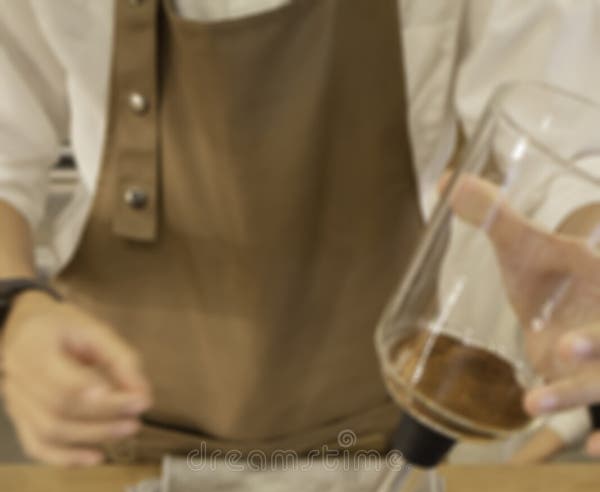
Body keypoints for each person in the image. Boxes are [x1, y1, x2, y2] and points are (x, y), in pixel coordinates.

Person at [0, 0, 599, 466]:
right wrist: (14, 310)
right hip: (108, 431)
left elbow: (563, 136)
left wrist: (587, 264)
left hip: (385, 433)